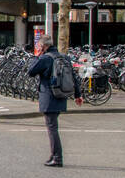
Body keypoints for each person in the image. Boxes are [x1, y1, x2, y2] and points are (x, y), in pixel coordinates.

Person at [26, 34, 83, 168]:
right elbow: (73, 77)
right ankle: (54, 155)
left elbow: (31, 71)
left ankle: (57, 158)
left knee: (52, 128)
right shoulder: (64, 57)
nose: (38, 48)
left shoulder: (45, 58)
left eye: (39, 46)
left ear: (44, 46)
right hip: (61, 94)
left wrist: (37, 55)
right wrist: (77, 95)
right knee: (53, 126)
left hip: (49, 96)